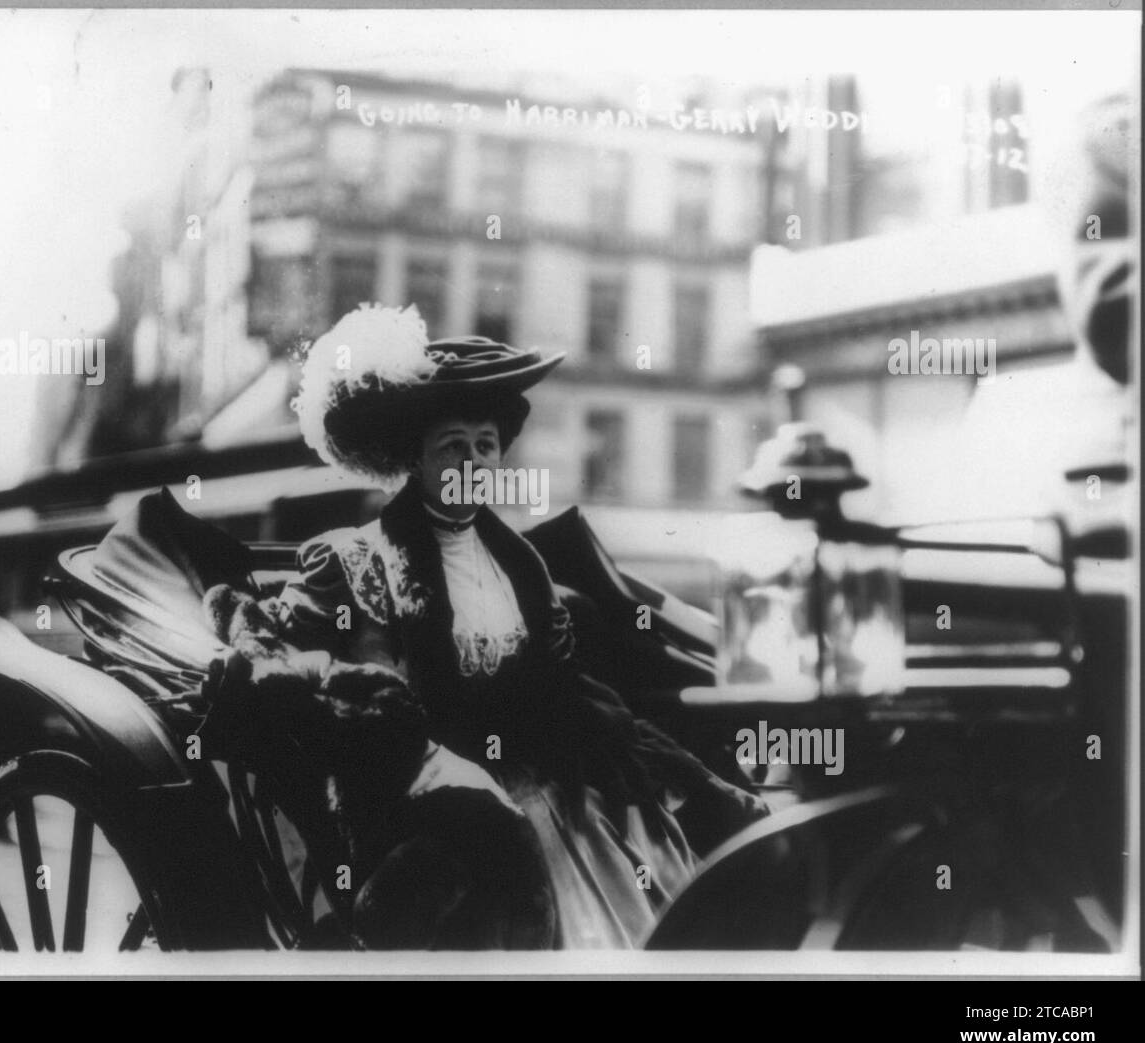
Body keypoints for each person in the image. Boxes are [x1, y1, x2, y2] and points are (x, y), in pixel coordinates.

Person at [234, 305, 767, 949]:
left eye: (484, 446)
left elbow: (557, 689)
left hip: (549, 780)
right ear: (417, 459)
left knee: (631, 834)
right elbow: (338, 684)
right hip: (435, 794)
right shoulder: (362, 560)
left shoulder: (521, 565)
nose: (471, 465)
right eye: (451, 447)